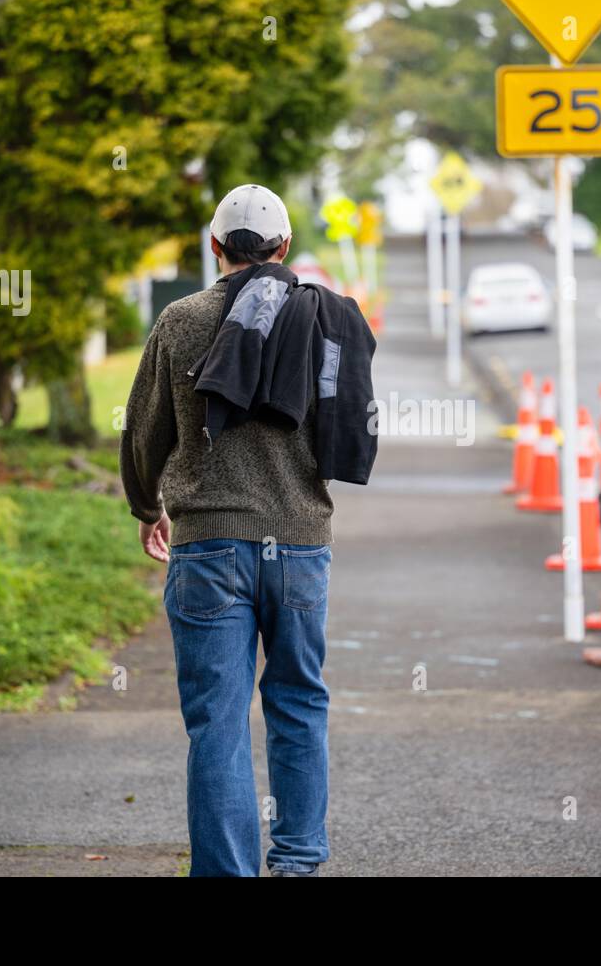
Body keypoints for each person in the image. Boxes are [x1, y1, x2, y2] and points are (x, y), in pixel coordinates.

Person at [119, 183, 376, 877]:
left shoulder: (180, 321)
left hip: (207, 548)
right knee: (297, 704)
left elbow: (145, 433)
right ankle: (296, 863)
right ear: (284, 248)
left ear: (214, 247)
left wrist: (149, 508)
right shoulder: (322, 319)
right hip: (299, 545)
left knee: (218, 726)